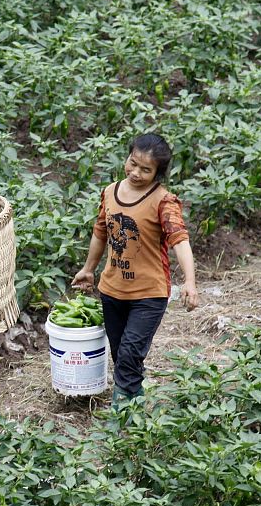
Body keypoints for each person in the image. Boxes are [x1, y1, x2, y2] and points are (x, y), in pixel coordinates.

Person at [71, 134, 200, 406]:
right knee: (121, 354)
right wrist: (88, 269)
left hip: (149, 294)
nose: (136, 173)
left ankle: (122, 414)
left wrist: (189, 281)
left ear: (158, 174)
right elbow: (100, 233)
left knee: (130, 353)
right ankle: (136, 403)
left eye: (146, 169)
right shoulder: (110, 192)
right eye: (133, 163)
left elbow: (180, 239)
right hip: (112, 289)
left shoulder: (164, 201)